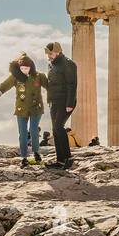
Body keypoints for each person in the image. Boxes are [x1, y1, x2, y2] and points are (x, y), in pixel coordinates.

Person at [0, 53, 48, 167]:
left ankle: (36, 152)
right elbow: (5, 84)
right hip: (21, 109)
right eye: (22, 68)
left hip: (36, 108)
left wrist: (55, 97)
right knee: (22, 134)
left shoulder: (39, 76)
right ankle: (24, 157)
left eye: (26, 68)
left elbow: (49, 86)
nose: (24, 70)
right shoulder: (16, 77)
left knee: (34, 131)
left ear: (31, 67)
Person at [43, 41, 77, 169]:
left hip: (65, 101)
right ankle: (60, 160)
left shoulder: (68, 64)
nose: (48, 56)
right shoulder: (51, 64)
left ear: (57, 51)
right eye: (47, 54)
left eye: (50, 53)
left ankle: (68, 158)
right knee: (55, 130)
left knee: (59, 126)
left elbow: (72, 85)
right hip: (54, 101)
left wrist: (69, 103)